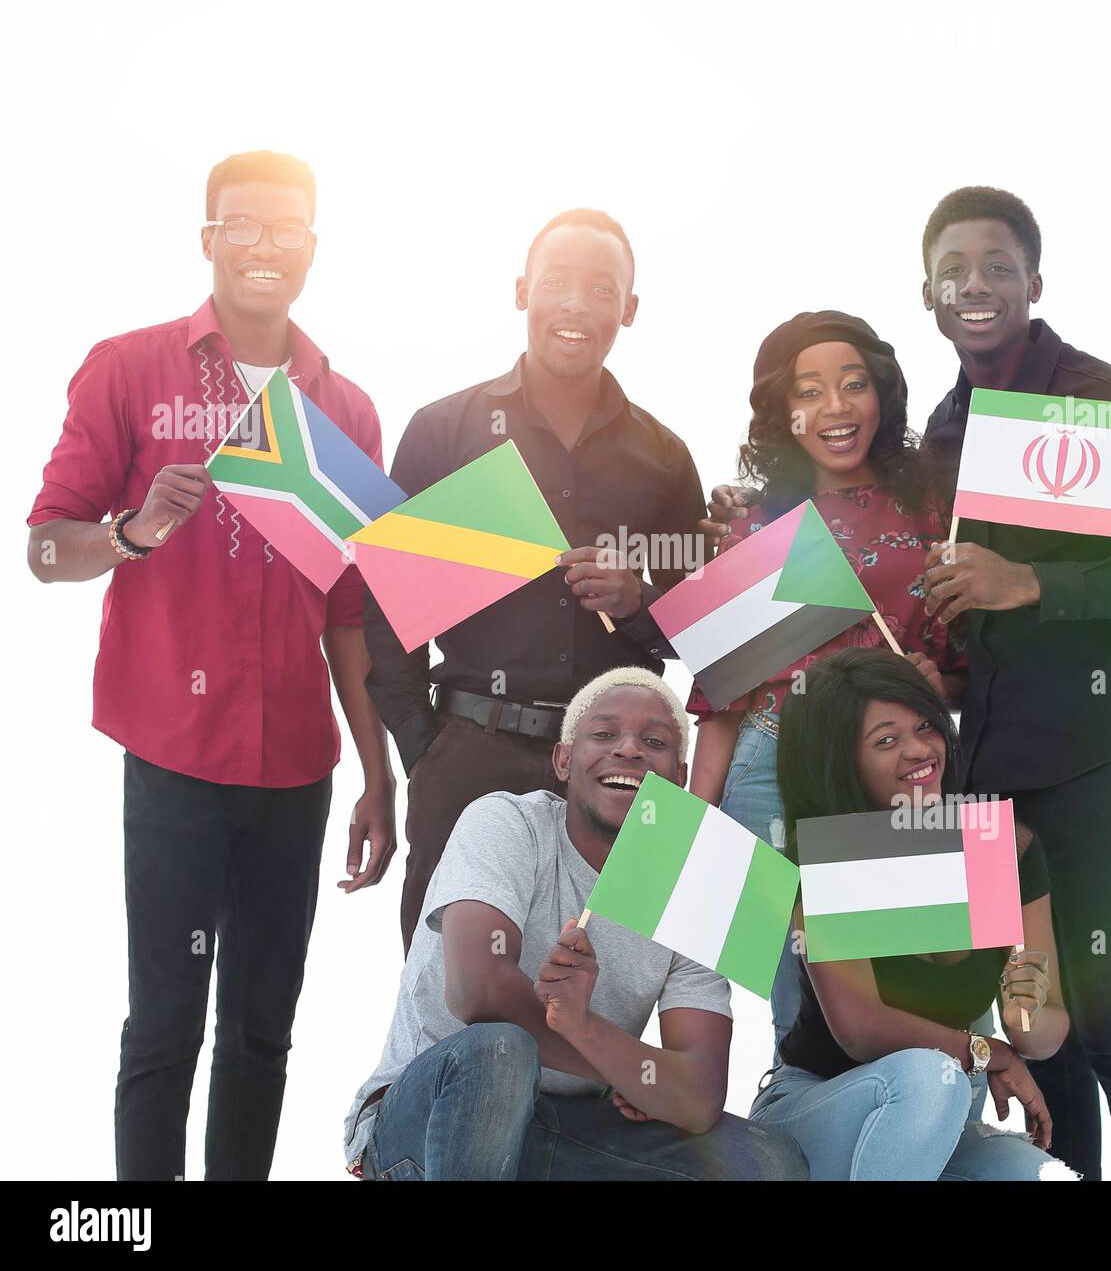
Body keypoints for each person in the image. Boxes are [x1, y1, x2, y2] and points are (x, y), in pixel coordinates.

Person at [26, 151, 397, 1181]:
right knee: (165, 1027)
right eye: (242, 226)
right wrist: (133, 533)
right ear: (208, 241)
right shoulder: (129, 368)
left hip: (296, 768)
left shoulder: (346, 409)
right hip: (175, 758)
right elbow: (46, 547)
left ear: (314, 249)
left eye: (286, 229)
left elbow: (348, 609)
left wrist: (378, 769)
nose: (264, 246)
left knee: (263, 1032)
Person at [917, 186, 1111, 1180]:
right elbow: (963, 619)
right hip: (988, 773)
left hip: (1100, 757)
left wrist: (1030, 583)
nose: (975, 284)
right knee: (1037, 1025)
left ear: (1033, 283)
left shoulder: (1110, 396)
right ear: (928, 294)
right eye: (953, 269)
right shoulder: (941, 434)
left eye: (996, 266)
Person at [365, 208, 707, 953]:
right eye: (557, 282)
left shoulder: (665, 458)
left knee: (601, 981)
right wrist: (425, 747)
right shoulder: (444, 430)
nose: (577, 305)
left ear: (630, 308)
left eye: (600, 287)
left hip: (611, 768)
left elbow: (700, 627)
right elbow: (388, 611)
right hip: (470, 752)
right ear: (522, 290)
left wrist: (640, 602)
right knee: (447, 992)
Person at [343, 668, 808, 1182]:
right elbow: (479, 992)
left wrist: (584, 1026)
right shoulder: (505, 822)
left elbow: (697, 1095)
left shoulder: (689, 890)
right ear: (563, 759)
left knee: (768, 1162)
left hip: (568, 1127)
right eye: (604, 734)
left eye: (653, 741)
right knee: (501, 1051)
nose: (629, 749)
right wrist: (626, 1072)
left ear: (679, 776)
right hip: (428, 1122)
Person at [686, 310, 964, 1053]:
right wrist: (693, 819)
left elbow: (958, 656)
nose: (836, 407)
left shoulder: (934, 506)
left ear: (881, 394)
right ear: (785, 413)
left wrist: (939, 683)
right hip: (772, 765)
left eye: (854, 384)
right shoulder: (757, 523)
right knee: (803, 1009)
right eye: (809, 391)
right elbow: (724, 695)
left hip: (901, 765)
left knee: (922, 994)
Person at [748, 648, 1074, 1180]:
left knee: (1045, 1176)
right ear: (841, 760)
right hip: (820, 1108)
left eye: (926, 726)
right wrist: (989, 1052)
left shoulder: (1005, 848)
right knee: (932, 1076)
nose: (920, 749)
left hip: (939, 1122)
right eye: (885, 740)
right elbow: (861, 1028)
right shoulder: (823, 859)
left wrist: (1024, 1014)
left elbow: (1040, 1035)